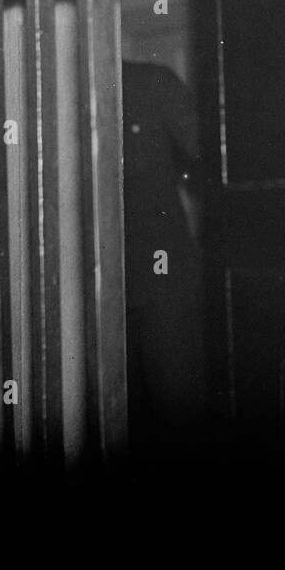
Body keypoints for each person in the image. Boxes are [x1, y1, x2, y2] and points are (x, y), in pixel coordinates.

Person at [122, 58, 209, 462]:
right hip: (91, 295)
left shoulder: (151, 83)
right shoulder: (52, 89)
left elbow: (212, 157)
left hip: (162, 288)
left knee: (179, 419)